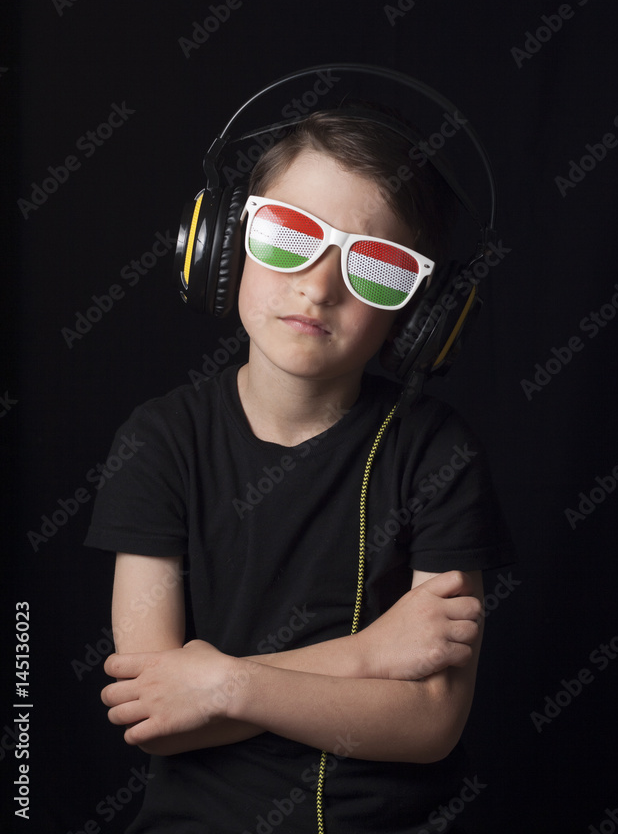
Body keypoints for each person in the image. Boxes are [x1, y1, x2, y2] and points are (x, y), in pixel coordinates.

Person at [85, 106, 514, 833]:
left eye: (375, 265)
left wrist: (220, 683)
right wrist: (372, 653)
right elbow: (156, 710)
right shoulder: (158, 441)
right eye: (289, 235)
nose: (318, 287)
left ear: (419, 316)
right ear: (223, 241)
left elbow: (429, 722)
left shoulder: (437, 452)